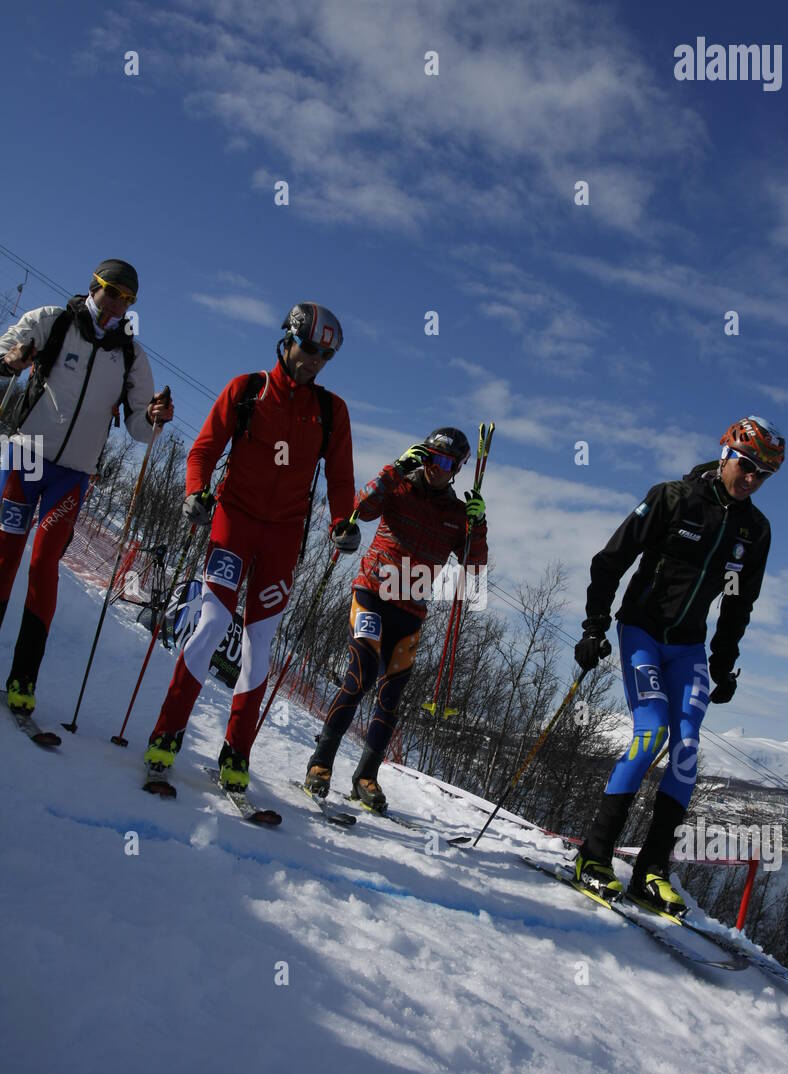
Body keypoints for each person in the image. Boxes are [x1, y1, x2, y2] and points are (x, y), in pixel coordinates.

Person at [572, 415, 785, 915]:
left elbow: (737, 604)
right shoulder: (673, 498)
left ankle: (650, 870)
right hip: (643, 630)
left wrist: (724, 663)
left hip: (688, 646)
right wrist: (593, 625)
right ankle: (593, 856)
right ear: (727, 452)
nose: (752, 479)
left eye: (764, 475)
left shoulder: (754, 531)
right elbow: (611, 559)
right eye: (748, 466)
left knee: (686, 748)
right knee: (651, 733)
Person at [144, 301, 355, 790]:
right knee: (213, 622)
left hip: (282, 539)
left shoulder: (330, 411)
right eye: (309, 349)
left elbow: (341, 479)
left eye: (325, 356)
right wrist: (195, 491)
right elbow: (204, 449)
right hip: (233, 523)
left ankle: (236, 752)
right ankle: (167, 733)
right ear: (287, 340)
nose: (315, 361)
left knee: (259, 647)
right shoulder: (247, 390)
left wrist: (342, 522)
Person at [0, 259, 172, 714]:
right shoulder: (52, 321)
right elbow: (4, 353)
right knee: (4, 557)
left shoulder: (132, 357)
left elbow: (139, 427)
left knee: (43, 567)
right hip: (27, 453)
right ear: (94, 286)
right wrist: (10, 360)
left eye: (128, 299)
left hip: (73, 473)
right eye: (113, 292)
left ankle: (23, 680)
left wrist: (155, 419)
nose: (118, 304)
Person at [304, 427, 488, 811]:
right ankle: (320, 763)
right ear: (421, 456)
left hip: (411, 611)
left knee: (391, 696)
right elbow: (360, 509)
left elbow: (473, 575)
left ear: (456, 469)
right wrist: (392, 471)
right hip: (372, 592)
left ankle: (365, 776)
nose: (437, 468)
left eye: (448, 463)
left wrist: (479, 526)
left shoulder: (457, 514)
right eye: (432, 458)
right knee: (361, 675)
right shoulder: (400, 486)